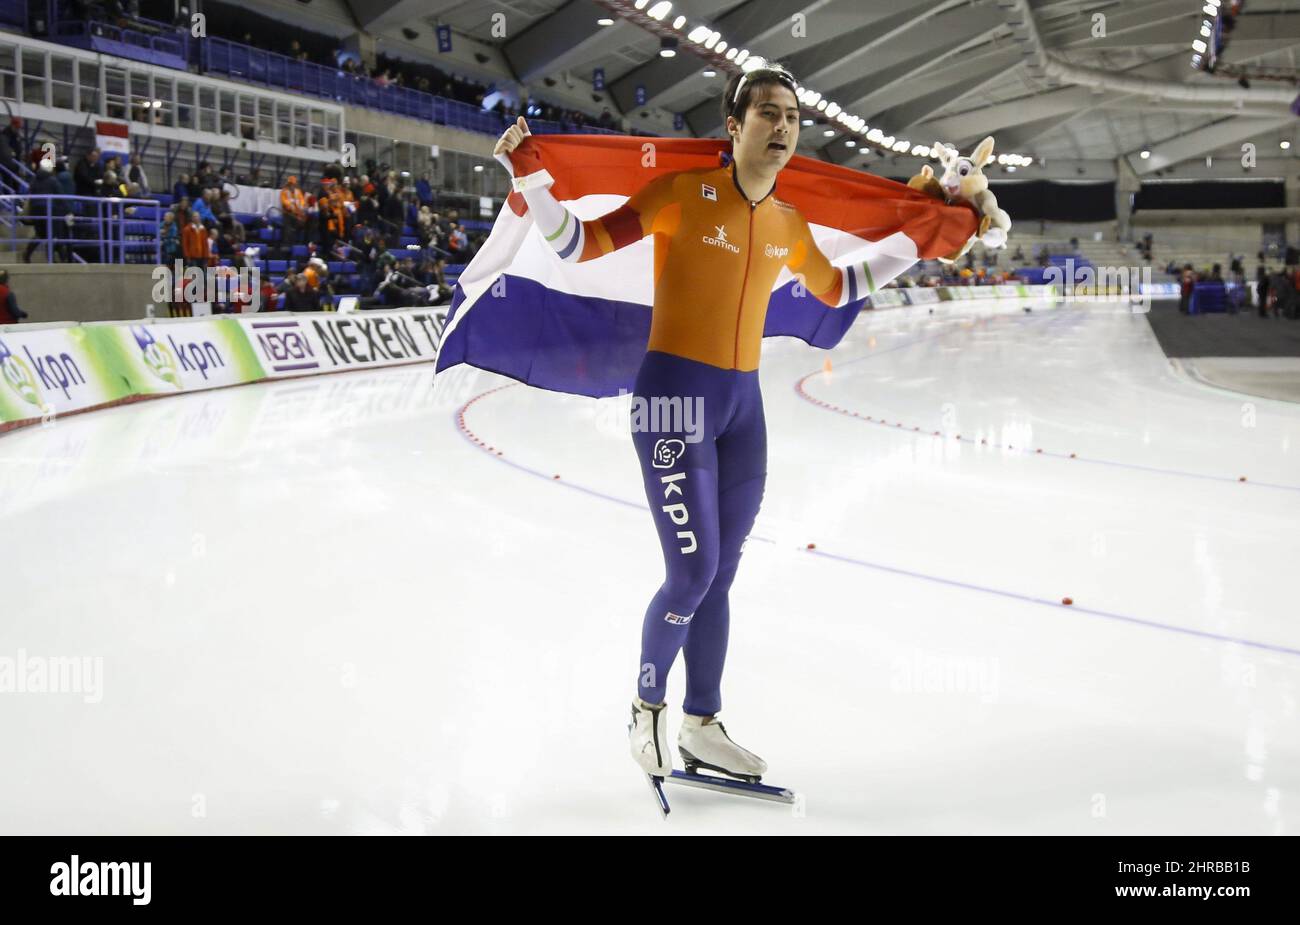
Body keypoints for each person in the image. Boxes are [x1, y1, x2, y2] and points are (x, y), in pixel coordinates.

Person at [491, 63, 995, 784]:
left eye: (791, 115)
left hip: (741, 410)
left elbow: (840, 285)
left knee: (720, 576)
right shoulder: (681, 193)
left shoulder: (788, 222)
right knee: (691, 570)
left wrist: (921, 239)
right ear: (734, 127)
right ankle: (647, 707)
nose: (782, 125)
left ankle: (702, 723)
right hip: (673, 401)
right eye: (767, 113)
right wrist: (534, 177)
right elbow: (579, 245)